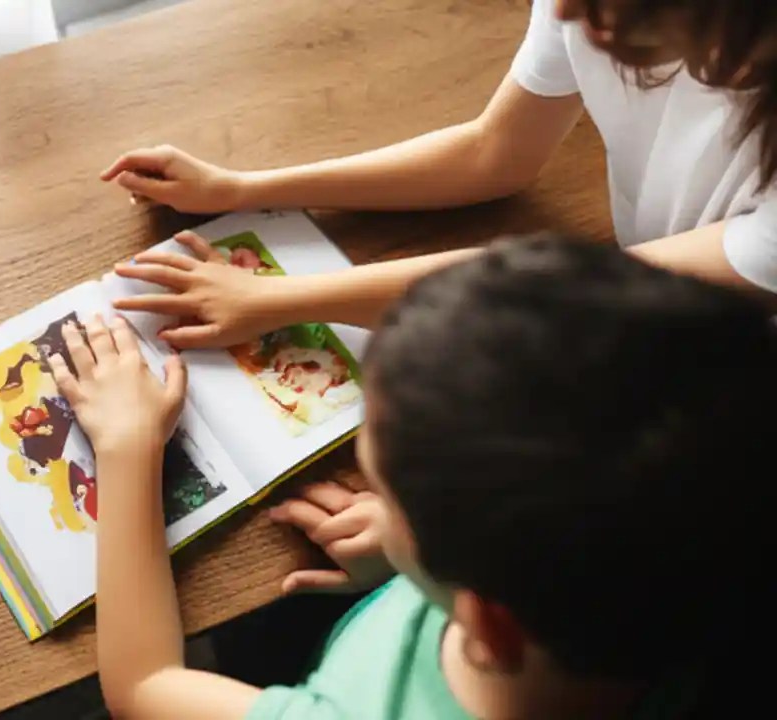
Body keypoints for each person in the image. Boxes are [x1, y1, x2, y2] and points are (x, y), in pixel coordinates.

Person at [47, 236, 775, 719]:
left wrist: (128, 445)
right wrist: (402, 567)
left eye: (384, 487)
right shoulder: (712, 555)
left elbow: (142, 686)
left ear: (488, 620)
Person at [99, 0, 777, 348]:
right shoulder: (599, 10)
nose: (561, 14)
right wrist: (242, 189)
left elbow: (581, 291)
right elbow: (496, 151)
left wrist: (277, 300)